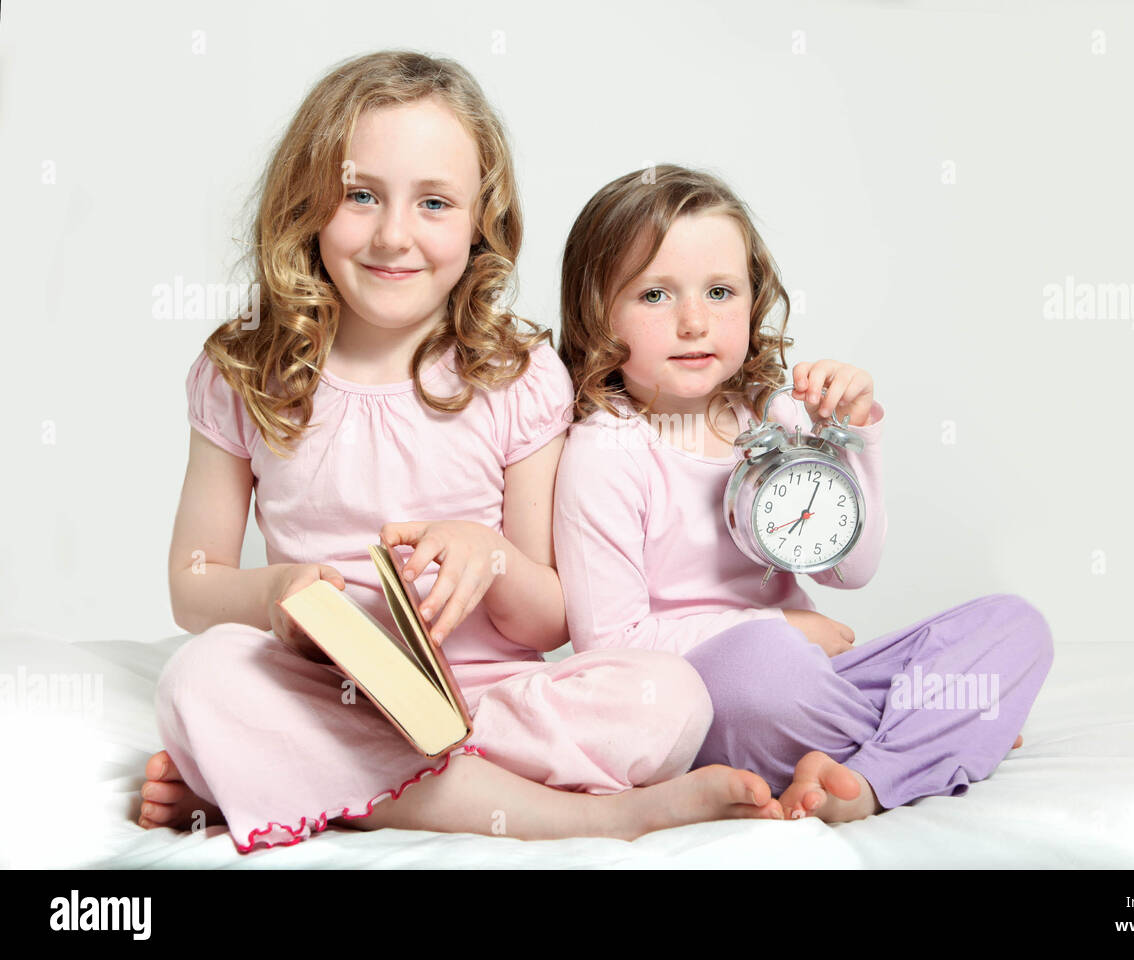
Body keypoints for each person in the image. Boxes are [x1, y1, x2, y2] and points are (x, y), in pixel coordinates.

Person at [139, 56, 782, 854]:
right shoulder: (245, 371)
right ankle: (584, 816)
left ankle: (297, 781)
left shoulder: (517, 375)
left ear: (483, 219)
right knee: (200, 678)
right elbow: (192, 586)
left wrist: (494, 559)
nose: (393, 234)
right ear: (304, 201)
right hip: (327, 692)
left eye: (434, 202)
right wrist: (274, 595)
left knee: (669, 696)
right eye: (359, 194)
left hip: (493, 701)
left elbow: (557, 616)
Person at [553, 164, 1051, 822]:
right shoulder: (606, 452)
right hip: (718, 700)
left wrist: (852, 436)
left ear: (756, 301)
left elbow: (851, 569)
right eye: (654, 295)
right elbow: (609, 645)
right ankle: (936, 736)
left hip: (813, 682)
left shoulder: (777, 416)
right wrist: (778, 626)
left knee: (1013, 626)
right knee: (763, 664)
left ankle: (867, 777)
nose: (694, 321)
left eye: (721, 291)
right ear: (597, 312)